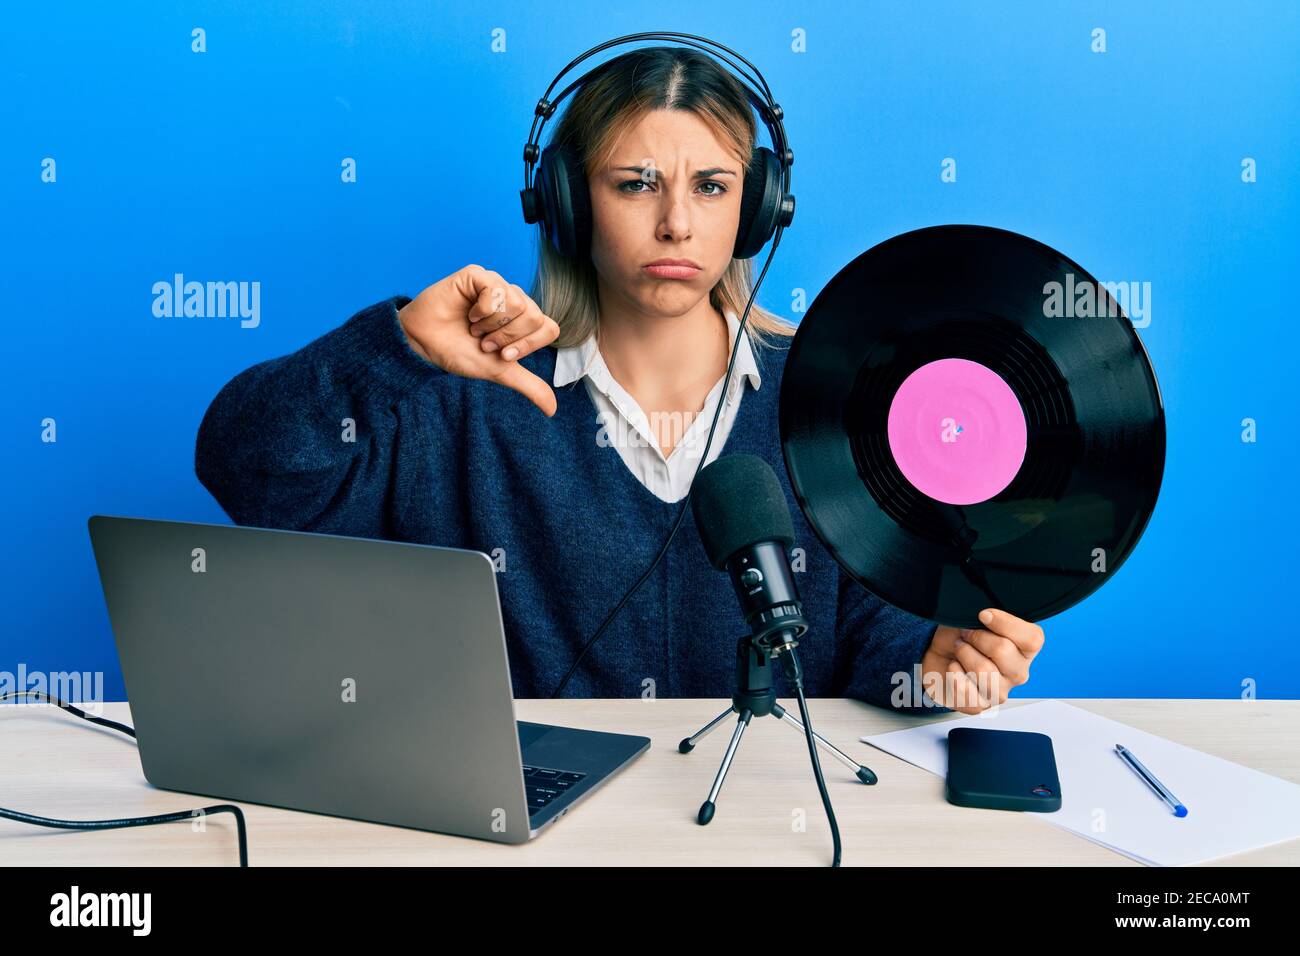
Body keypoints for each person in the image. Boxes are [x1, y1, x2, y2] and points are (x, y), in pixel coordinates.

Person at [195, 47, 1044, 713]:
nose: (677, 221)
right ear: (566, 203)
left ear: (755, 211)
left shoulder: (833, 406)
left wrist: (933, 667)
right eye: (635, 184)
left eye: (712, 187)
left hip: (767, 826)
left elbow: (875, 638)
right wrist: (392, 352)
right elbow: (247, 472)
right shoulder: (463, 392)